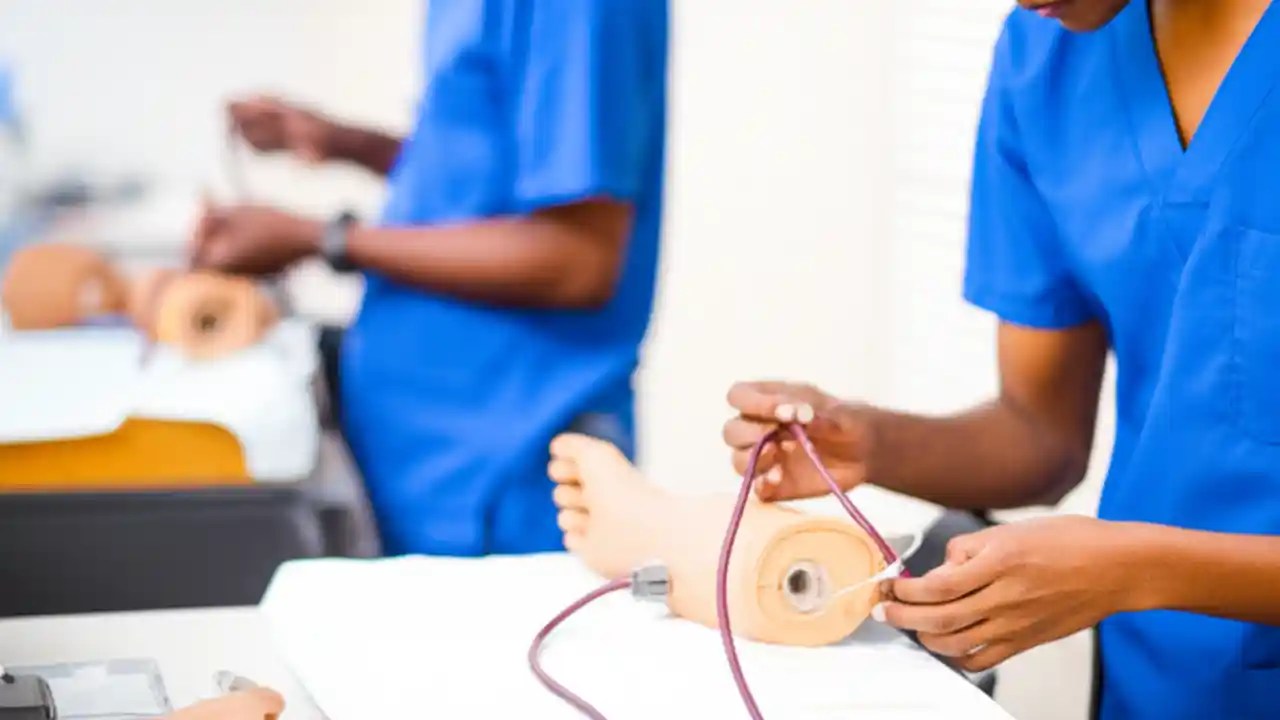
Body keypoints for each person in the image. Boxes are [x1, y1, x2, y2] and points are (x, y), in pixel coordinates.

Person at [724, 1, 1280, 718]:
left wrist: (1136, 569)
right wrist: (869, 443)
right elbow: (1043, 435)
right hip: (1157, 686)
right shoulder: (1046, 59)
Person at [190, 0, 669, 556]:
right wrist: (346, 143)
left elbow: (576, 258)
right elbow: (485, 181)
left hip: (501, 472)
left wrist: (320, 238)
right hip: (423, 467)